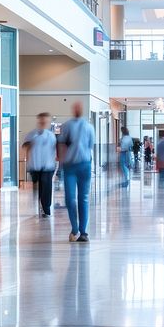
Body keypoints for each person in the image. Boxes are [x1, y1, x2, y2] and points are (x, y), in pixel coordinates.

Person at [58, 102, 96, 242]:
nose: (78, 109)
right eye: (76, 107)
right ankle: (75, 228)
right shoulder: (67, 126)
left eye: (79, 107)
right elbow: (61, 145)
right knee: (69, 198)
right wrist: (61, 163)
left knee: (83, 198)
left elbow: (90, 146)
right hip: (70, 166)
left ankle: (83, 232)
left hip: (84, 165)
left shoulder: (89, 127)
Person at [23, 112, 57, 216]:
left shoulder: (51, 136)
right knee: (38, 187)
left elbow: (54, 150)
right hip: (35, 166)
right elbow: (26, 147)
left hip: (48, 166)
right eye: (41, 120)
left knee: (46, 186)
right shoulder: (31, 134)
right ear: (38, 121)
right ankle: (40, 205)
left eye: (45, 121)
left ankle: (46, 208)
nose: (43, 122)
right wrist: (28, 160)